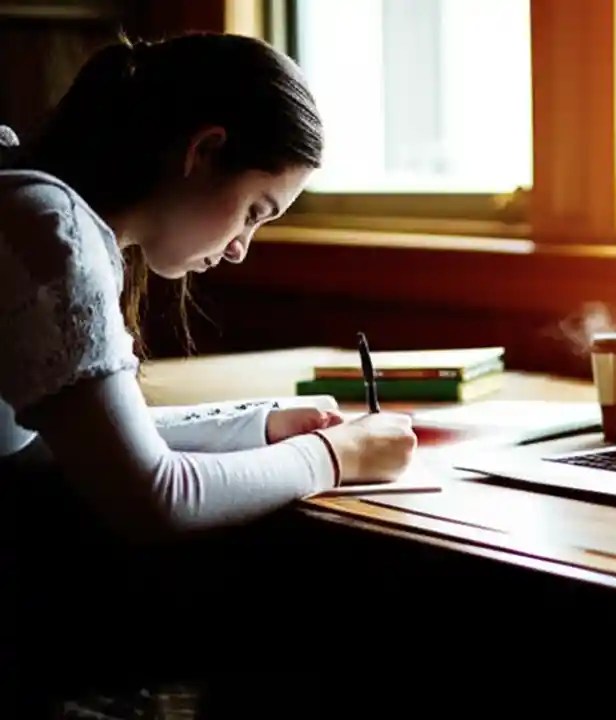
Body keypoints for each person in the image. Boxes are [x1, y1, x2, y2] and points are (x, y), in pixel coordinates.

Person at [0, 32, 418, 713]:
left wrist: (257, 426)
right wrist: (332, 457)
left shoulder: (35, 204)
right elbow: (153, 497)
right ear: (204, 151)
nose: (241, 250)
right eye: (255, 211)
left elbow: (65, 438)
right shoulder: (50, 230)